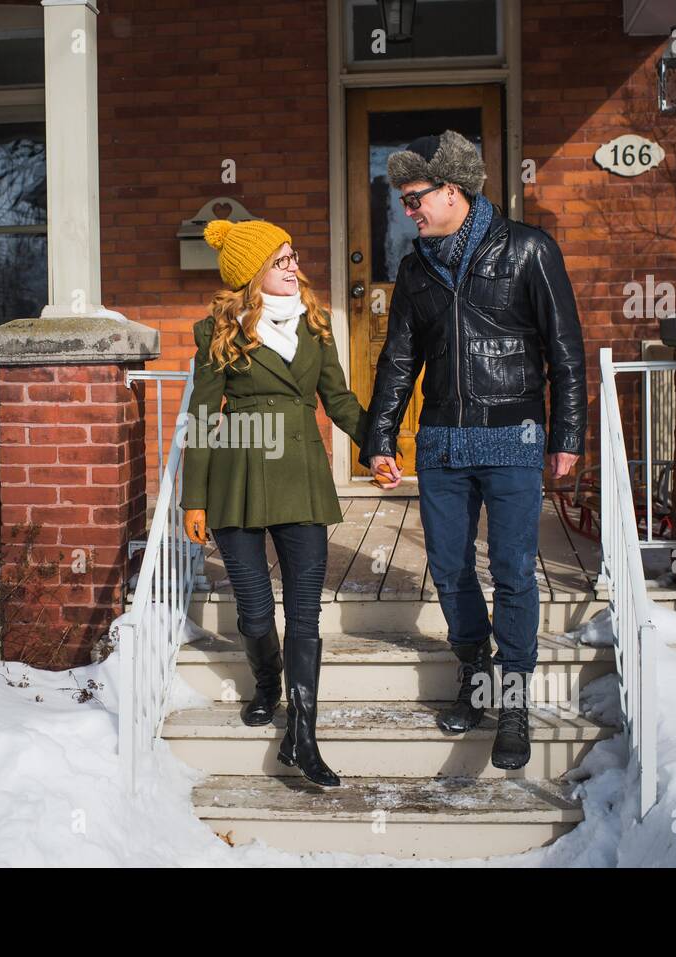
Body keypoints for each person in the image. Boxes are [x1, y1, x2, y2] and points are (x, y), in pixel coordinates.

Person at [361, 129, 588, 770]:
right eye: (404, 201)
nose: (408, 212)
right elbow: (399, 359)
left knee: (513, 572)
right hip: (440, 443)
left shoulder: (529, 250)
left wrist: (567, 435)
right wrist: (380, 438)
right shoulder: (414, 267)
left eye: (415, 198)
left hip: (514, 437)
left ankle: (511, 702)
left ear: (453, 192)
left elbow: (564, 349)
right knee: (451, 569)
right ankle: (474, 670)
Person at [181, 217, 369, 788]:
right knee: (257, 612)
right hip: (237, 480)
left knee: (305, 614)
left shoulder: (317, 326)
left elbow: (338, 399)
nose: (294, 265)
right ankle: (267, 685)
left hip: (303, 478)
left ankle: (303, 736)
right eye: (280, 258)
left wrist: (378, 447)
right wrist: (195, 500)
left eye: (292, 254)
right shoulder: (218, 330)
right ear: (254, 274)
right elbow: (204, 419)